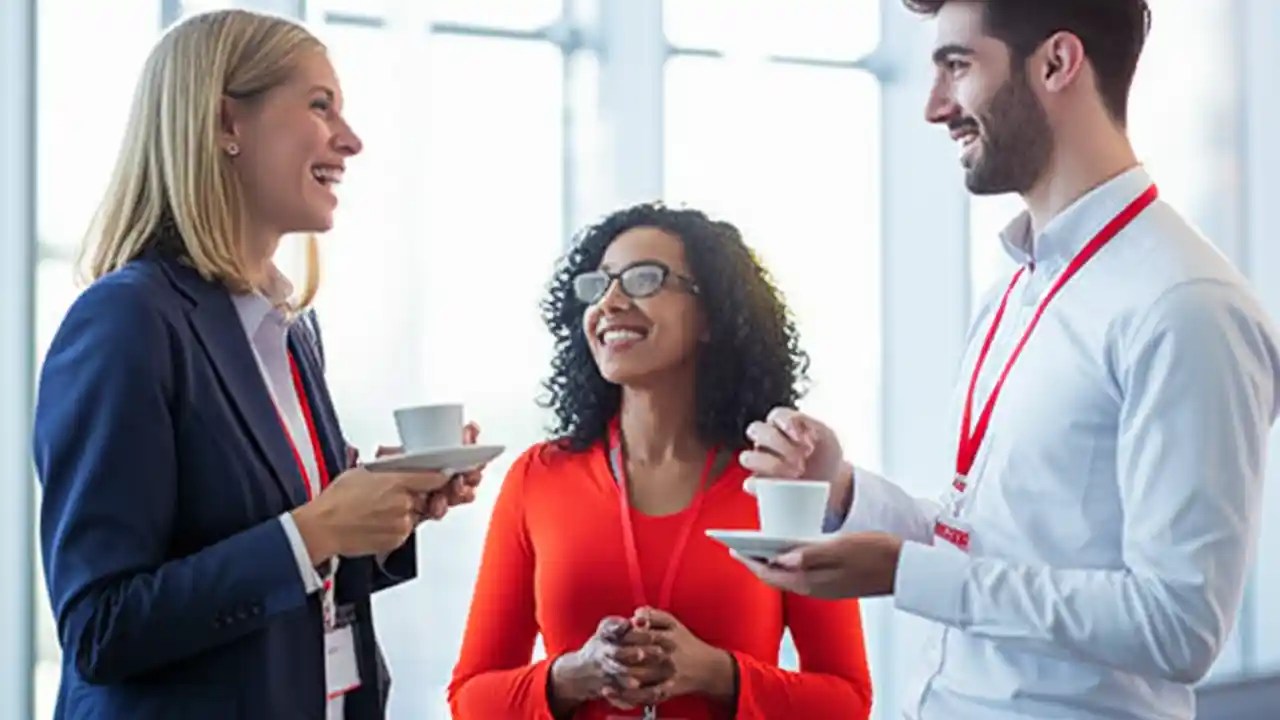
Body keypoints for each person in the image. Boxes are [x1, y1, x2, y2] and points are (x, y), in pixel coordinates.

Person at [734, 1, 1280, 719]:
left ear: (1056, 62)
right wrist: (842, 493)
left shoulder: (1185, 305)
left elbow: (1179, 625)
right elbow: (995, 543)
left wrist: (908, 574)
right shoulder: (1018, 288)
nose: (935, 108)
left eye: (957, 67)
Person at [32, 10, 483, 719]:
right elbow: (100, 627)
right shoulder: (128, 321)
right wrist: (319, 529)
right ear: (224, 125)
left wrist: (386, 504)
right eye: (319, 104)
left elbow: (289, 562)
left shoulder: (289, 330)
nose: (351, 140)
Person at [448, 203, 873, 719]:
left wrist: (717, 674)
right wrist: (573, 675)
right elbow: (470, 697)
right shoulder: (538, 478)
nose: (610, 302)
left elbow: (848, 700)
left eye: (644, 280)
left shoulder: (784, 479)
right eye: (599, 284)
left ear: (712, 316)